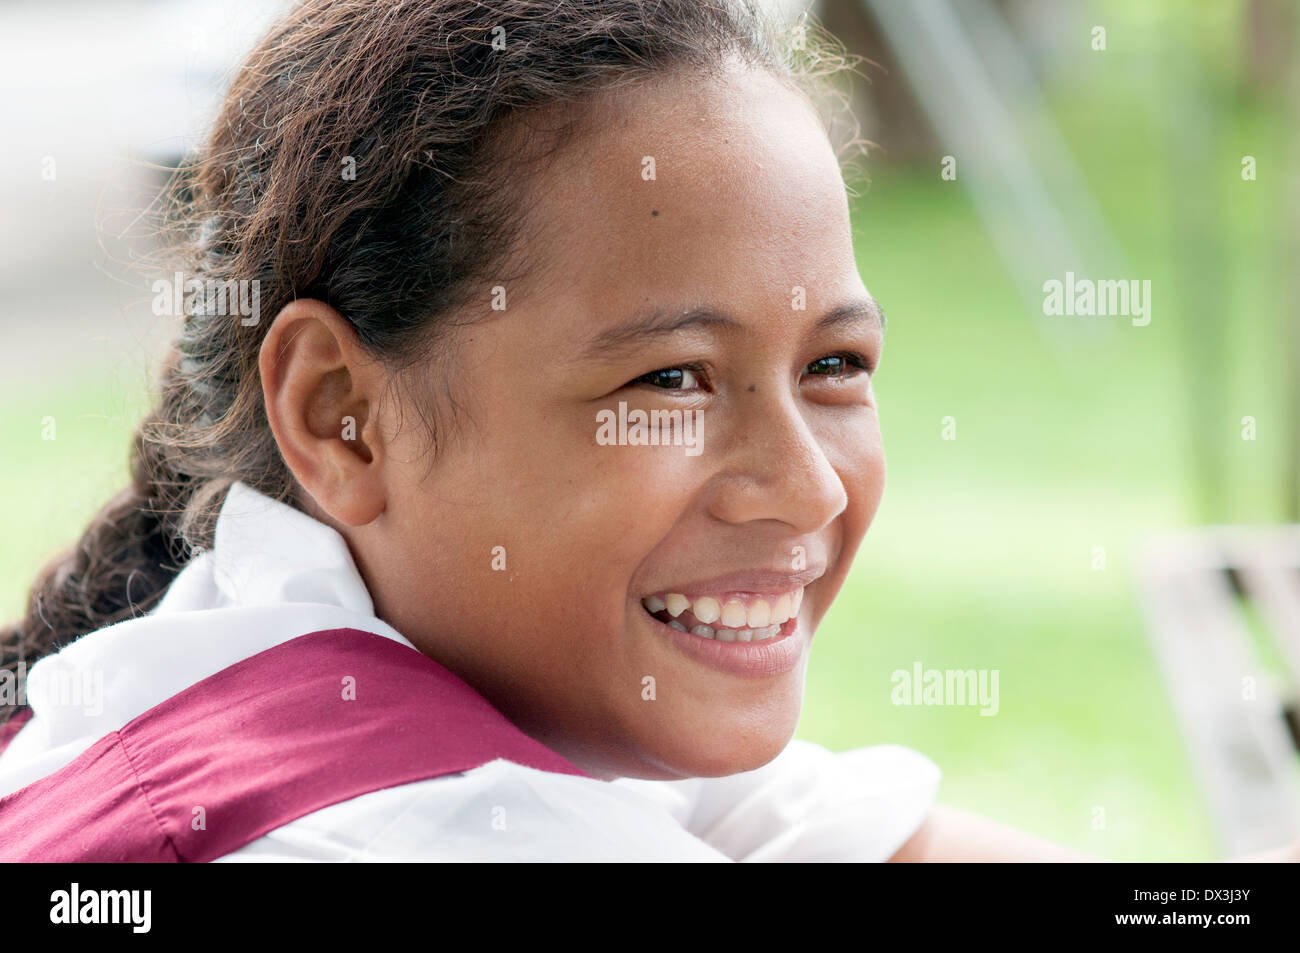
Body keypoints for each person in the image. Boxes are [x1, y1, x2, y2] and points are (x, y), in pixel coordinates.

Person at [0, 0, 1291, 862]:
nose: (803, 487)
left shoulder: (261, 648)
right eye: (669, 381)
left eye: (835, 363)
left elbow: (809, 825)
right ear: (342, 414)